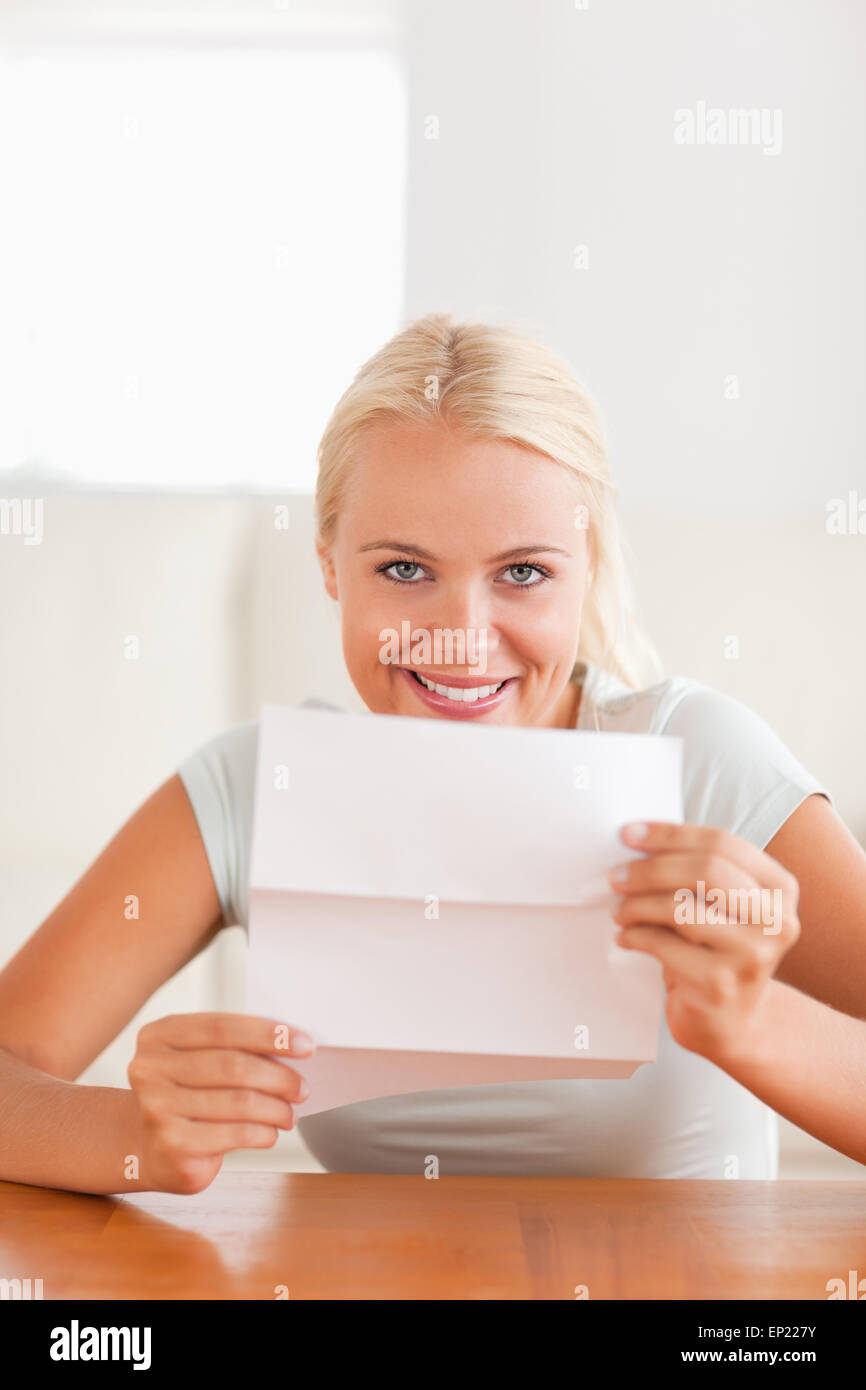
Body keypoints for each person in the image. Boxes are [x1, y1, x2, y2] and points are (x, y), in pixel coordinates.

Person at [1, 313, 864, 1196]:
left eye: (522, 572)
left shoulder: (703, 764)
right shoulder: (259, 789)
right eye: (405, 570)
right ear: (332, 565)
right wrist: (135, 1134)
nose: (460, 637)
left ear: (587, 567)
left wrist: (760, 1025)